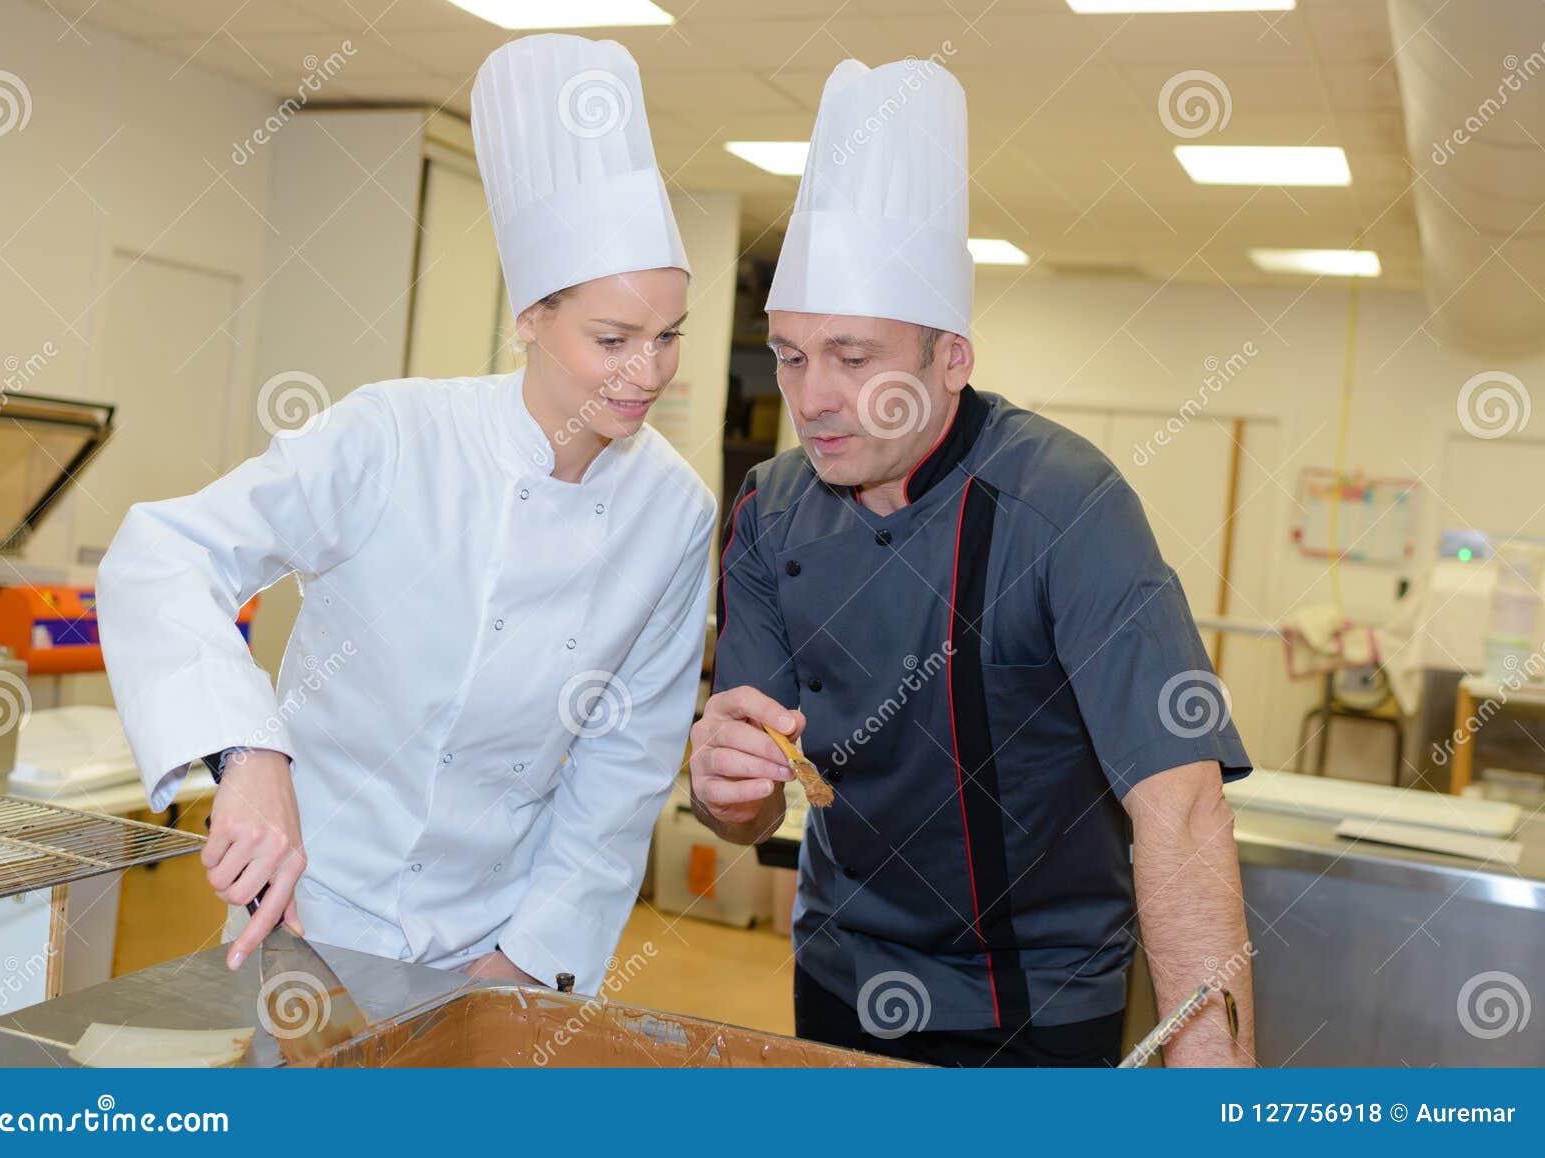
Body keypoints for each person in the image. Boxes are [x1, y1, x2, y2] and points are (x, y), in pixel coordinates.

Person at [97, 33, 714, 996]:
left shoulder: (673, 510)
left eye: (669, 336)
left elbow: (624, 763)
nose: (649, 372)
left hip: (501, 938)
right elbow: (164, 552)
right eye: (613, 338)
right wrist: (249, 754)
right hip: (310, 912)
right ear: (531, 321)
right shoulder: (396, 437)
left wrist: (530, 957)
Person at [687, 56, 1256, 1067]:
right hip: (839, 973)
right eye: (789, 354)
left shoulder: (1064, 505)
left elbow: (1180, 801)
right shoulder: (769, 513)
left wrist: (1210, 1084)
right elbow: (755, 802)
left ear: (950, 359)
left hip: (1037, 996)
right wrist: (727, 791)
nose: (811, 396)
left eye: (853, 358)